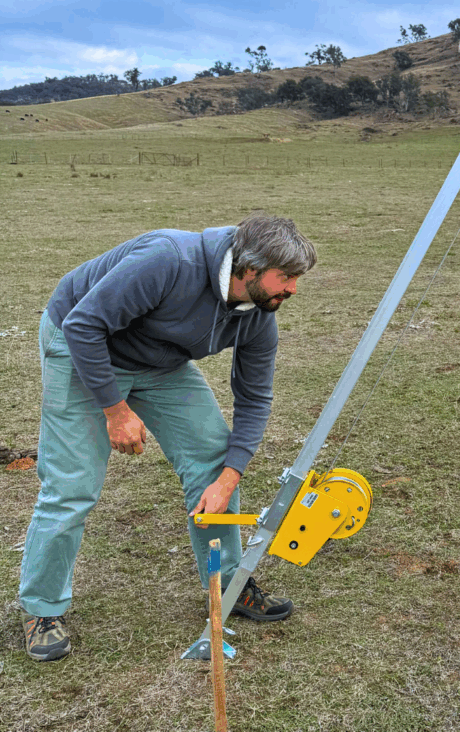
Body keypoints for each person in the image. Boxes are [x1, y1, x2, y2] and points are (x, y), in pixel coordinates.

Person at [19, 212, 317, 661]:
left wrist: (228, 479)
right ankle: (42, 609)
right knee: (72, 484)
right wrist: (115, 410)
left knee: (213, 458)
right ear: (250, 269)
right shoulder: (168, 260)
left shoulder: (258, 315)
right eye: (286, 277)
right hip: (82, 344)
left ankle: (228, 585)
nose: (293, 289)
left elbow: (254, 399)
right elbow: (83, 326)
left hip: (159, 364)